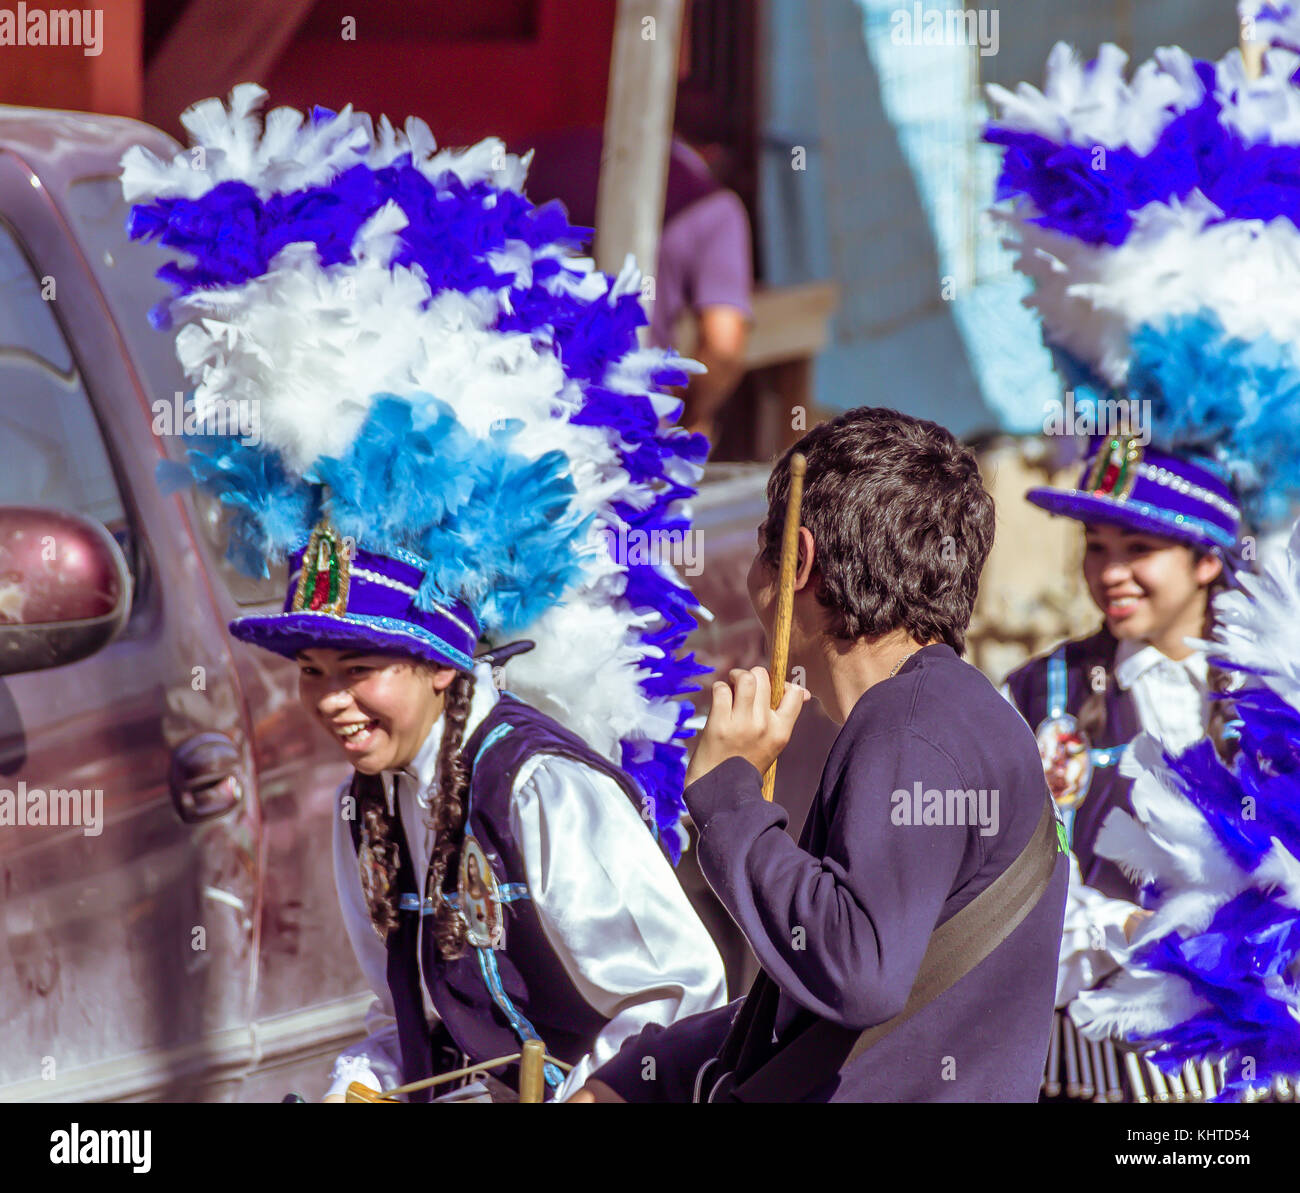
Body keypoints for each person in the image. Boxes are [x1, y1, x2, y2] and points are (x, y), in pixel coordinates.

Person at [121, 85, 727, 1102]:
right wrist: (365, 1084)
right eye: (313, 672)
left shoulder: (536, 787)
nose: (331, 699)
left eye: (360, 667)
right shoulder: (368, 805)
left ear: (444, 666)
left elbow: (682, 992)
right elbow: (402, 1014)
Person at [573, 407, 1069, 1103]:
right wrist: (646, 1072)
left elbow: (857, 971)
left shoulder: (911, 723)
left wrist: (730, 796)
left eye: (761, 548)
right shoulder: (944, 713)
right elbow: (826, 1026)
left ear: (798, 559)